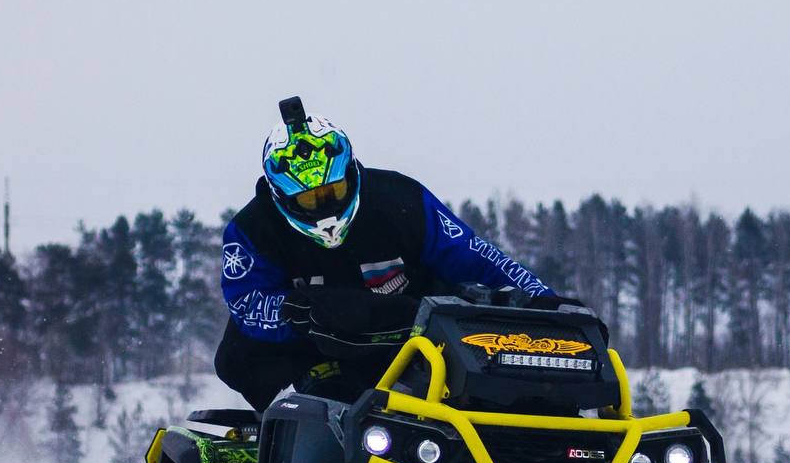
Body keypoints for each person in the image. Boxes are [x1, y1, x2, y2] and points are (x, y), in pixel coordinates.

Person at [214, 97, 560, 411]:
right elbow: (245, 303)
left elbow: (478, 256)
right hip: (314, 352)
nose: (326, 207)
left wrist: (548, 303)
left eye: (335, 190)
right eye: (309, 199)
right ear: (280, 195)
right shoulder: (251, 230)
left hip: (412, 339)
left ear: (351, 173)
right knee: (236, 357)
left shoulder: (400, 200)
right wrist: (293, 311)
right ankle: (283, 439)